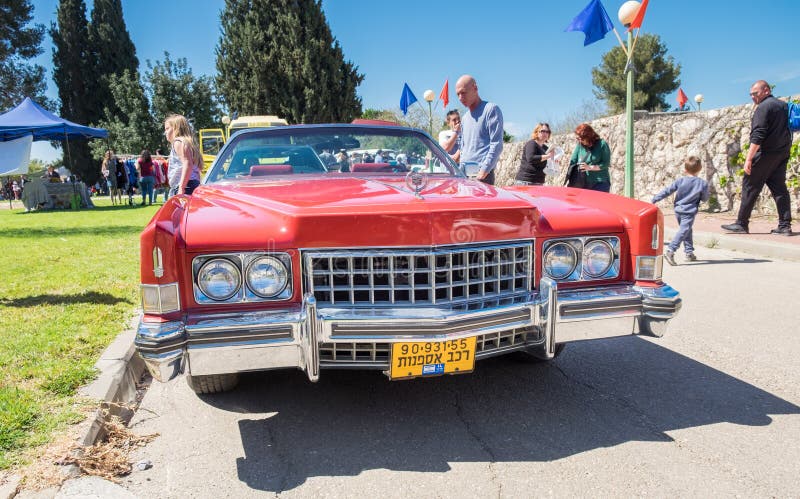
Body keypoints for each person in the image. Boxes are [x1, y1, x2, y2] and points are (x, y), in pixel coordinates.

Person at [722, 80, 793, 236]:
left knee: (749, 185)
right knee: (779, 188)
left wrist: (748, 158)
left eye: (755, 93)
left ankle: (741, 224)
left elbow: (758, 134)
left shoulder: (763, 107)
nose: (753, 97)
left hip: (766, 153)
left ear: (766, 90)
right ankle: (785, 226)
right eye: (751, 95)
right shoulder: (783, 106)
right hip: (782, 153)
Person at [652, 156, 710, 265]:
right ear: (700, 169)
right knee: (684, 230)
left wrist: (655, 199)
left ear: (685, 169)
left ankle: (689, 252)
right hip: (689, 211)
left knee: (687, 229)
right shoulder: (702, 183)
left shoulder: (680, 180)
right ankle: (671, 250)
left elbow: (667, 191)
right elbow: (705, 198)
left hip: (678, 210)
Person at [455, 75, 504, 184]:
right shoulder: (464, 118)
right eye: (457, 94)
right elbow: (463, 147)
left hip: (482, 176)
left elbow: (496, 144)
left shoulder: (491, 109)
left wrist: (483, 171)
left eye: (463, 92)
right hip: (463, 176)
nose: (460, 97)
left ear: (475, 88)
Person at [164, 114, 203, 196]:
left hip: (183, 186)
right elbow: (197, 168)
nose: (165, 132)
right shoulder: (190, 144)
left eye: (167, 128)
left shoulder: (178, 142)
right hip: (193, 184)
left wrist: (181, 188)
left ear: (176, 128)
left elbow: (187, 164)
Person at [568, 123, 611, 192]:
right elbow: (573, 161)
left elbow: (606, 163)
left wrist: (589, 167)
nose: (579, 141)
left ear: (588, 136)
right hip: (583, 183)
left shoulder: (602, 144)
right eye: (577, 138)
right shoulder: (579, 146)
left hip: (600, 183)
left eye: (581, 139)